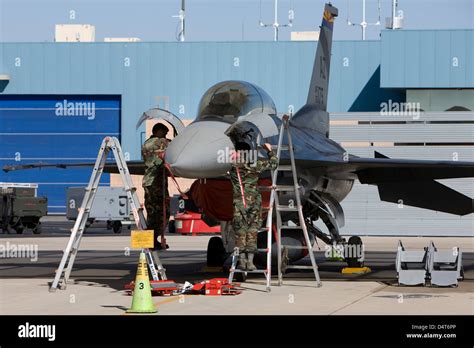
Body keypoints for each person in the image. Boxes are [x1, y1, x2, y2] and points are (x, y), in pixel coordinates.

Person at [229, 141, 278, 270]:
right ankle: (250, 262)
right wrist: (269, 150)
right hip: (254, 203)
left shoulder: (233, 166)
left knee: (240, 231)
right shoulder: (255, 164)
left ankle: (241, 261)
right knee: (252, 231)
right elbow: (274, 163)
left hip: (239, 203)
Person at [141, 123, 170, 250]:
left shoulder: (146, 144)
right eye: (164, 133)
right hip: (156, 183)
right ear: (158, 132)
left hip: (150, 181)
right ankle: (151, 240)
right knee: (161, 213)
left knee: (152, 212)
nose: (165, 136)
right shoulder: (158, 143)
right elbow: (175, 145)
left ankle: (152, 240)